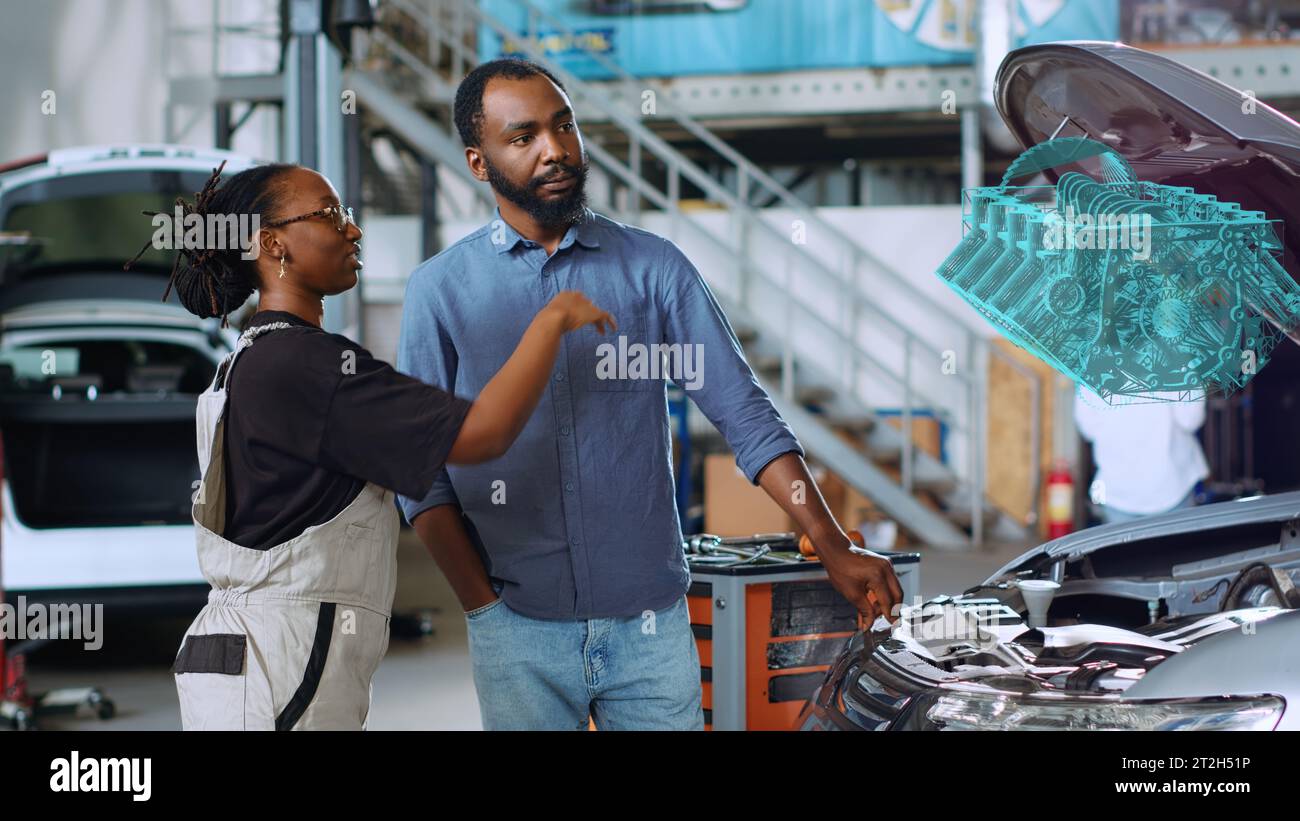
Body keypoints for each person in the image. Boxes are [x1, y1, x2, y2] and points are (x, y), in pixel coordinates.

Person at [397, 58, 902, 731]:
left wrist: (831, 540)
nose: (555, 149)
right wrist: (482, 604)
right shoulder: (440, 292)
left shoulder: (652, 267)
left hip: (650, 627)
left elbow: (743, 413)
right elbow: (418, 473)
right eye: (523, 138)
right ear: (478, 161)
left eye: (564, 125)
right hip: (519, 627)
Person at [129, 161, 612, 730]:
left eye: (347, 214)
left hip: (251, 660)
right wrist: (551, 322)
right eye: (330, 215)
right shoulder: (305, 365)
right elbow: (483, 433)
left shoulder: (248, 361)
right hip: (279, 666)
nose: (352, 230)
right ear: (272, 243)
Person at [1074, 389, 1208, 523]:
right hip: (1172, 484)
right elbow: (1191, 419)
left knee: (1123, 543)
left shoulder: (1092, 369)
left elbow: (1088, 427)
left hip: (1118, 487)